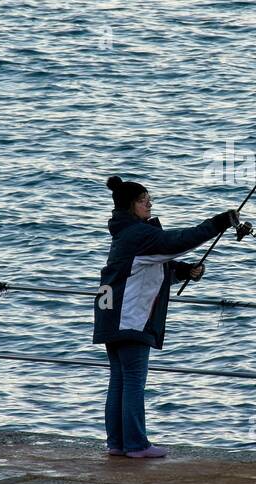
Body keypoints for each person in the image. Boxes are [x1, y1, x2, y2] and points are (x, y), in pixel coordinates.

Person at [93, 176, 239, 459]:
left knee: (120, 380)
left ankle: (118, 443)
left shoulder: (127, 234)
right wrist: (219, 222)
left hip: (111, 316)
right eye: (142, 199)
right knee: (133, 380)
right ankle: (136, 445)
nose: (149, 203)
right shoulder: (139, 234)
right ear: (129, 205)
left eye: (149, 197)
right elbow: (178, 242)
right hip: (130, 318)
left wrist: (183, 272)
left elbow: (142, 272)